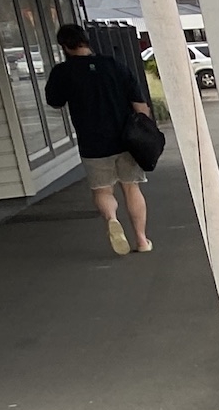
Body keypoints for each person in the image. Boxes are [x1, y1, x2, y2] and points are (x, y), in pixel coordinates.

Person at [42, 24, 155, 255]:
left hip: (93, 143)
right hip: (126, 139)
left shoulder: (63, 72)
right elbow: (140, 106)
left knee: (103, 192)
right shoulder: (114, 65)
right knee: (131, 188)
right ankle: (142, 240)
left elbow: (55, 101)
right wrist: (146, 132)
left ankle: (112, 218)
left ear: (64, 46)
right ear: (86, 41)